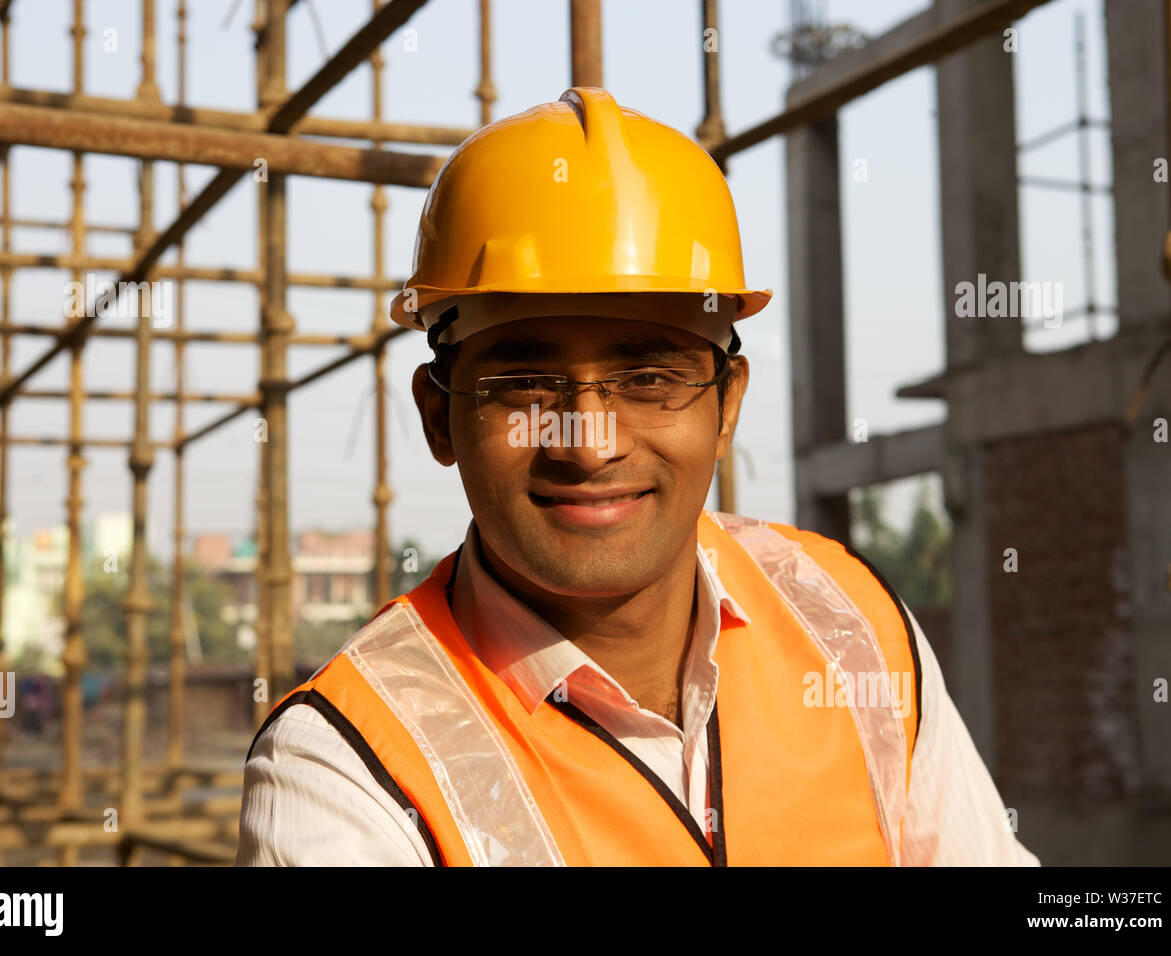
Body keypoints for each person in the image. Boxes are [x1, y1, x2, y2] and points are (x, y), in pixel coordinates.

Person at [236, 86, 1038, 866]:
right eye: (523, 383)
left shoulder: (848, 622)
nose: (588, 445)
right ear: (439, 417)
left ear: (727, 407)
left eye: (649, 379)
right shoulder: (348, 770)